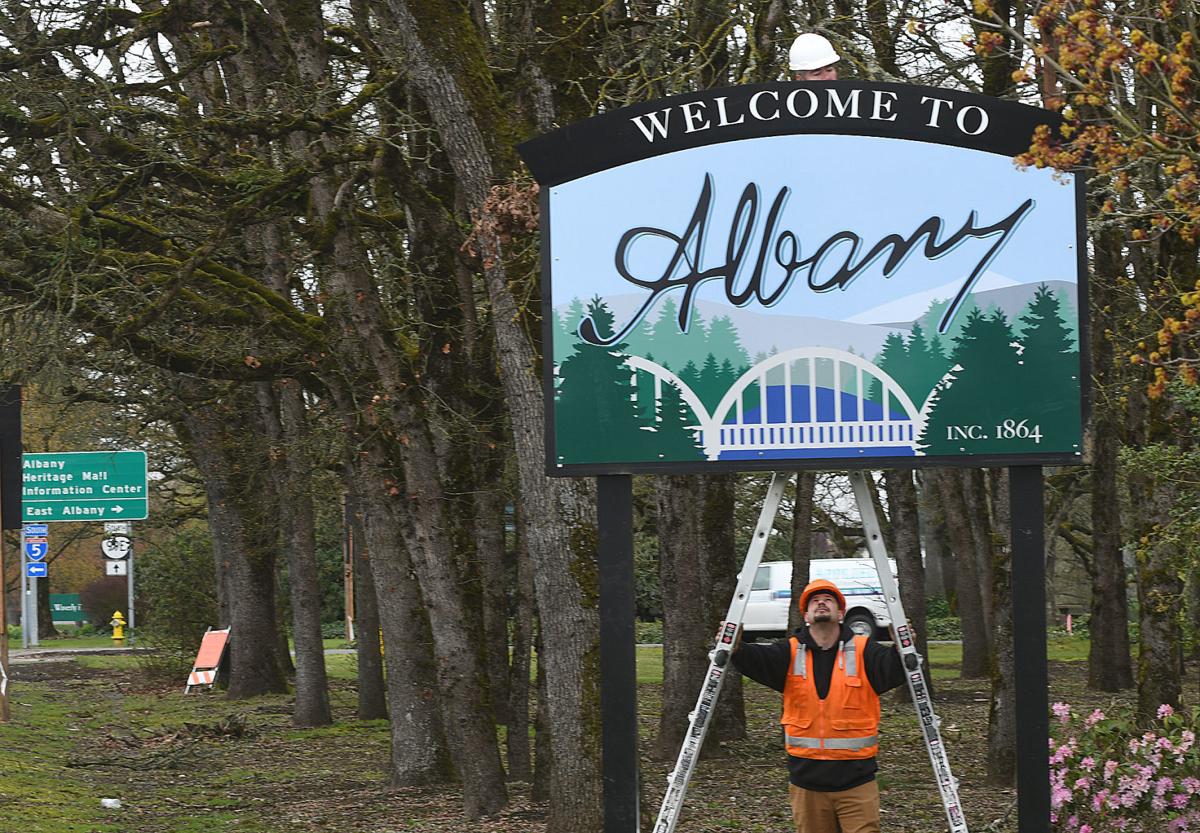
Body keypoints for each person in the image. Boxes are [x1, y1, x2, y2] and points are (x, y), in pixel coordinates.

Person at [732, 578, 905, 833]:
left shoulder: (864, 651)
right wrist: (735, 647)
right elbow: (753, 658)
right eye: (814, 600)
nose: (821, 602)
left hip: (856, 784)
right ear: (806, 615)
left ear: (841, 612)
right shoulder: (788, 652)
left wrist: (904, 650)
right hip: (807, 785)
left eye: (828, 599)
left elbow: (893, 669)